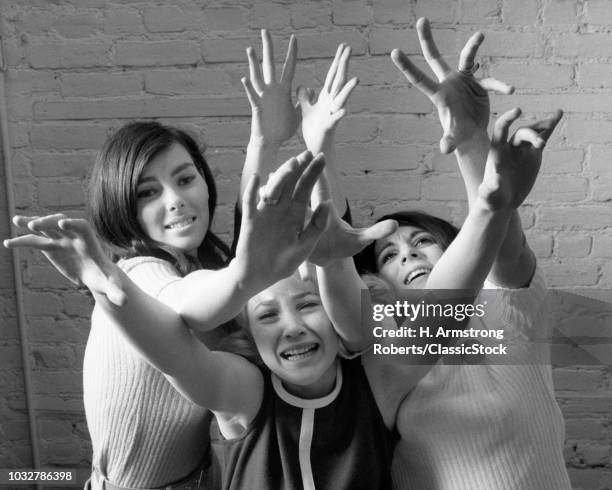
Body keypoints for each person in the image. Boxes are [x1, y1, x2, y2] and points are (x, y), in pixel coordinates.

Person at [5, 114, 330, 490]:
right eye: (148, 192)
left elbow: (244, 240)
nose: (176, 200)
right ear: (124, 207)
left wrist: (263, 141)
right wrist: (246, 275)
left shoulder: (198, 266)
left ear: (206, 185)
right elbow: (190, 303)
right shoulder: (139, 272)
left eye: (186, 179)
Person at [355, 18, 570, 490]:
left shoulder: (506, 320)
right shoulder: (388, 362)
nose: (408, 255)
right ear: (379, 284)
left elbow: (500, 249)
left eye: (422, 241)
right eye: (389, 255)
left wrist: (472, 142)